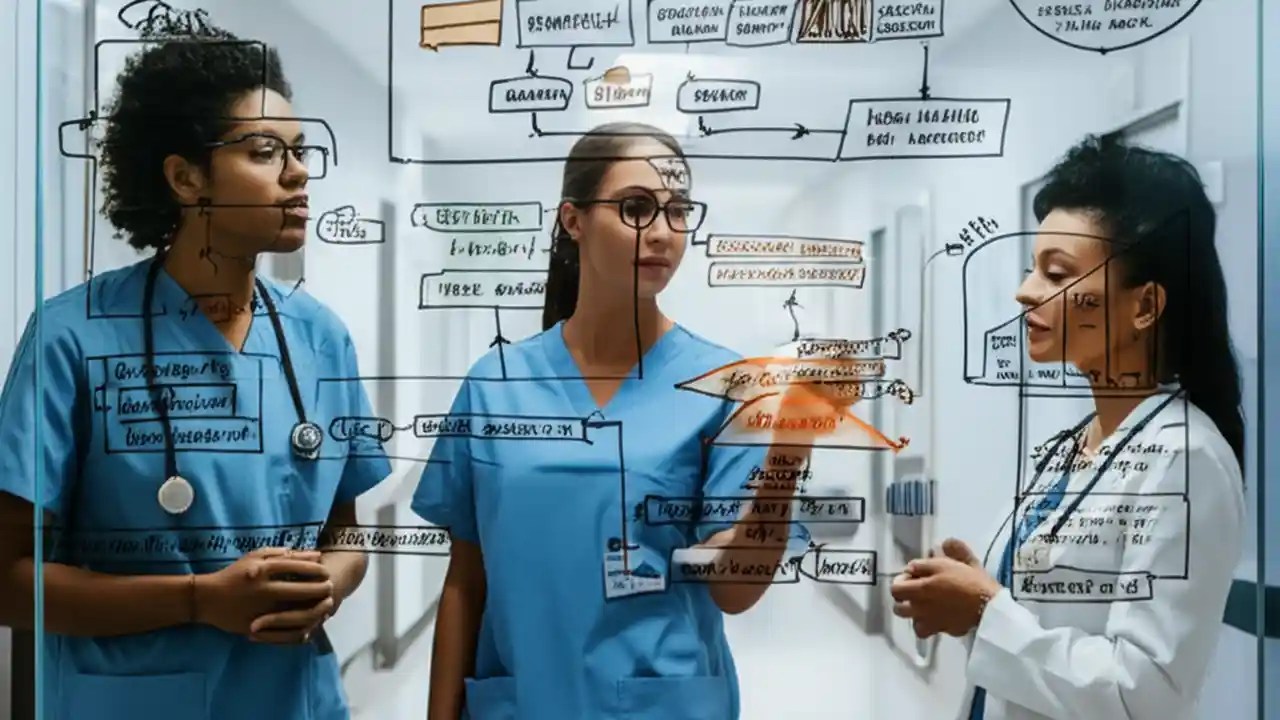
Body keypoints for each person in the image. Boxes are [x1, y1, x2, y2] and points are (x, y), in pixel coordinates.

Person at [0, 24, 390, 720]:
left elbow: (346, 532)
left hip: (293, 698)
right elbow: (6, 582)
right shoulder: (71, 337)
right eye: (265, 151)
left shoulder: (321, 339)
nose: (299, 172)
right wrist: (199, 600)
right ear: (185, 178)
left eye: (300, 152)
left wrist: (330, 582)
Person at [411, 122, 841, 719]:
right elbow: (465, 581)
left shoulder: (726, 386)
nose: (663, 233)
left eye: (678, 212)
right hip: (522, 700)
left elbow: (735, 590)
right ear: (573, 220)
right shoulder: (495, 383)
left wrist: (785, 463)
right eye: (636, 208)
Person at [890, 134, 1246, 720]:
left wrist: (983, 610)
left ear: (1145, 306)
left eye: (1056, 275)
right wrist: (971, 592)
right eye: (1033, 268)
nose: (1025, 291)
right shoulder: (1076, 444)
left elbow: (1143, 691)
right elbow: (1042, 630)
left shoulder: (1184, 458)